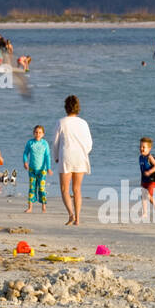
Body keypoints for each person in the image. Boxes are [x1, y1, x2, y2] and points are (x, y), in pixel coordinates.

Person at [51, 94, 93, 226]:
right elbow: (89, 143)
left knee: (64, 189)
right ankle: (78, 219)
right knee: (77, 189)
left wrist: (56, 156)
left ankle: (71, 215)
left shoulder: (61, 122)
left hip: (66, 156)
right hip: (80, 157)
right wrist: (84, 153)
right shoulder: (83, 123)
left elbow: (55, 142)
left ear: (66, 107)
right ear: (77, 107)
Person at [22, 126, 51, 214]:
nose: (38, 134)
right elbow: (25, 153)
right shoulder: (30, 142)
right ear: (33, 133)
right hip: (32, 170)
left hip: (42, 170)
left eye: (40, 132)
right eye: (36, 132)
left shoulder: (45, 143)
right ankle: (30, 207)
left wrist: (48, 168)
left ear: (43, 134)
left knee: (42, 188)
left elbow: (47, 156)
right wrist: (25, 162)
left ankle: (43, 207)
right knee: (32, 188)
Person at [138, 137, 155, 219]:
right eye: (140, 146)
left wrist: (149, 172)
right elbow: (141, 170)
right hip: (144, 180)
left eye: (144, 147)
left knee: (148, 195)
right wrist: (141, 181)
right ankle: (145, 213)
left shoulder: (149, 157)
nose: (141, 148)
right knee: (144, 196)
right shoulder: (140, 158)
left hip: (152, 180)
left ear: (149, 149)